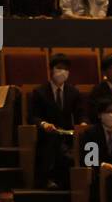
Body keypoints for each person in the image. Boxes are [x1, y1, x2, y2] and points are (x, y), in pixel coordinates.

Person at [29, 54, 83, 189]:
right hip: (47, 133)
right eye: (59, 68)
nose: (62, 72)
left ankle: (87, 177)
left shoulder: (74, 92)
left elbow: (80, 115)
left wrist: (82, 124)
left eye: (66, 69)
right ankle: (47, 179)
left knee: (89, 139)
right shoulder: (39, 92)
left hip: (67, 133)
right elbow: (32, 116)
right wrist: (44, 124)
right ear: (51, 70)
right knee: (52, 139)